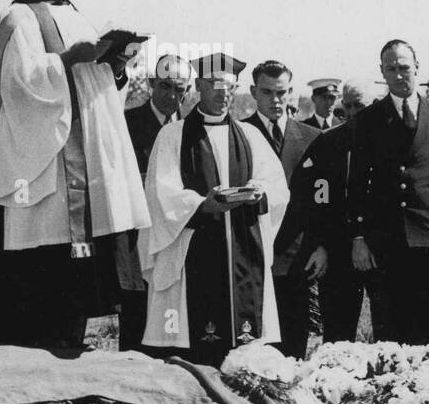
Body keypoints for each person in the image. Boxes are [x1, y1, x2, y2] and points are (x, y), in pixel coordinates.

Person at [0, 0, 148, 347]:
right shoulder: (18, 18)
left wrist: (116, 64)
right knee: (45, 277)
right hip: (48, 169)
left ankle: (70, 345)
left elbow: (95, 89)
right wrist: (70, 59)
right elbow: (14, 87)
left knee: (81, 285)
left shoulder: (74, 14)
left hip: (88, 162)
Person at [139, 53, 289, 366]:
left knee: (242, 348)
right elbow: (160, 194)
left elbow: (276, 187)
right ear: (198, 86)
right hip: (194, 248)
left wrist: (258, 193)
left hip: (242, 249)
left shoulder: (249, 136)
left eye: (229, 89)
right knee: (194, 344)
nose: (223, 95)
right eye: (214, 86)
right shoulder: (173, 135)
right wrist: (202, 204)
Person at [347, 40, 429, 344]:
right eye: (391, 69)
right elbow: (357, 183)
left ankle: (425, 387)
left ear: (417, 68)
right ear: (382, 72)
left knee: (427, 325)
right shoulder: (368, 119)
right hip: (386, 234)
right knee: (388, 326)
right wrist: (358, 237)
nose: (399, 75)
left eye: (404, 68)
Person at [242, 61, 323, 357]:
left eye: (283, 92)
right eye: (267, 92)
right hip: (253, 257)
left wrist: (320, 246)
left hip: (297, 258)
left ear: (292, 92)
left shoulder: (312, 138)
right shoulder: (238, 134)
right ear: (253, 92)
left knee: (294, 347)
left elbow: (322, 202)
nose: (276, 100)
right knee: (255, 350)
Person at [117, 53, 193, 350]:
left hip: (174, 231)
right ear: (150, 84)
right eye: (165, 87)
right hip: (137, 229)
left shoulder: (191, 129)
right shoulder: (127, 123)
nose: (172, 95)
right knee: (136, 304)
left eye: (180, 89)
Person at [305, 78, 384, 344]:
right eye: (347, 106)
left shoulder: (390, 142)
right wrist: (320, 244)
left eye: (358, 105)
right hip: (338, 251)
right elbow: (319, 200)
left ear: (375, 105)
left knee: (388, 335)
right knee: (337, 337)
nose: (351, 113)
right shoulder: (327, 143)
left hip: (378, 250)